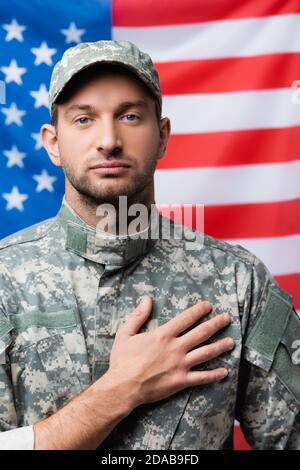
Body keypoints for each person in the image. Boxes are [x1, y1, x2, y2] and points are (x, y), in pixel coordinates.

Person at [0, 40, 299, 450]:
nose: (108, 140)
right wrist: (122, 389)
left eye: (130, 115)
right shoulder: (4, 280)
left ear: (162, 136)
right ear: (53, 142)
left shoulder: (238, 280)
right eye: (84, 119)